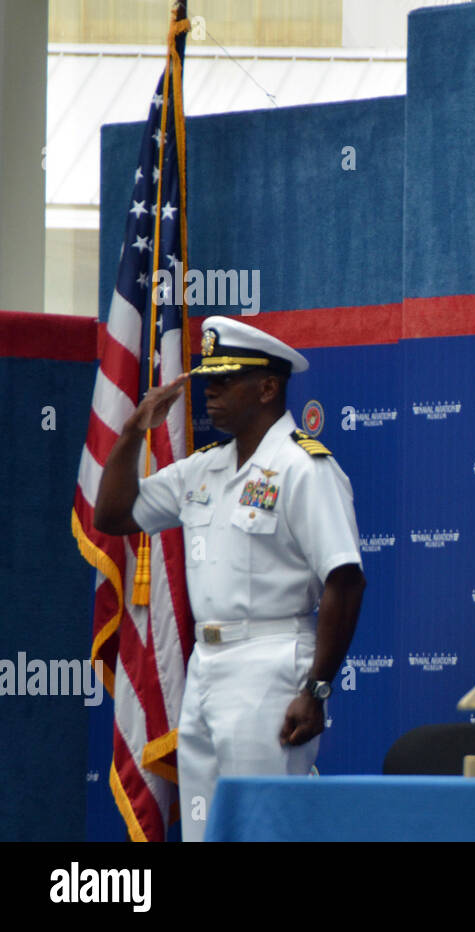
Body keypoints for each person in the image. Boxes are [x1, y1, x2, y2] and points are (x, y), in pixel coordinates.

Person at [94, 316, 366, 842]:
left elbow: (345, 579)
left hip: (270, 663)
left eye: (225, 380)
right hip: (207, 666)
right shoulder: (205, 468)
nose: (211, 392)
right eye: (208, 381)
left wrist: (317, 688)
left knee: (262, 828)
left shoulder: (303, 468)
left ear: (267, 387)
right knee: (205, 829)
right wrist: (132, 434)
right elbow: (113, 514)